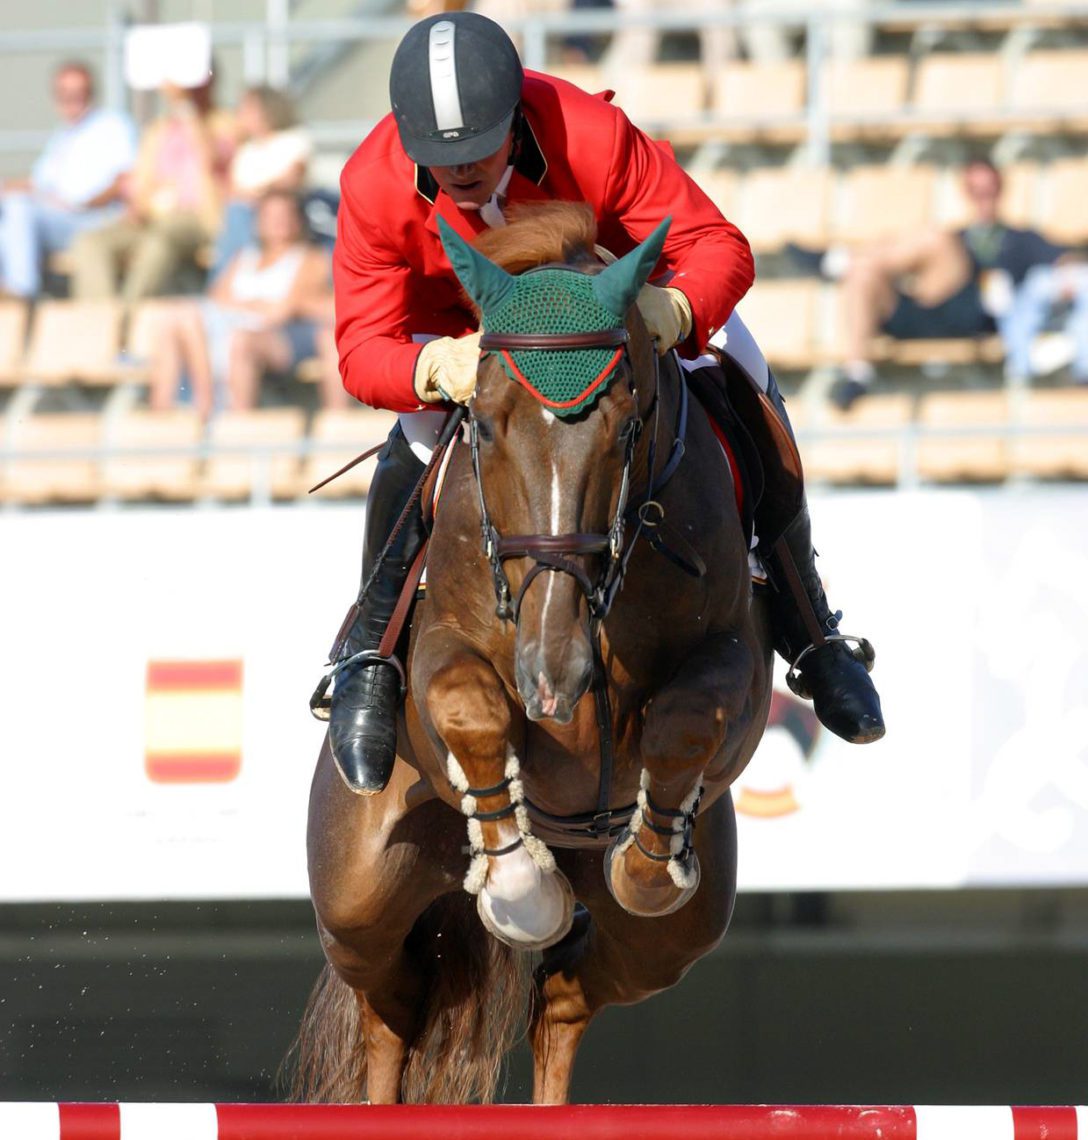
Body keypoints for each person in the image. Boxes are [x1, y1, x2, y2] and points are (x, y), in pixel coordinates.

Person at [327, 11, 883, 796]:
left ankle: (810, 627)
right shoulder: (373, 179)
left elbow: (719, 246)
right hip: (466, 331)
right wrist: (431, 365)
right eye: (439, 157)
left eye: (479, 146)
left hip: (610, 310)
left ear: (516, 116)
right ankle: (369, 654)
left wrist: (678, 310)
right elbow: (360, 348)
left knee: (744, 372)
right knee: (416, 438)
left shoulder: (591, 133)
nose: (459, 172)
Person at [826, 159, 1067, 410]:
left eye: (989, 189)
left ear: (1001, 189)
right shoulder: (960, 235)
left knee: (935, 239)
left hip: (975, 315)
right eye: (976, 191)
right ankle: (857, 373)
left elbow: (1065, 262)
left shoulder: (1022, 239)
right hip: (928, 312)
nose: (983, 197)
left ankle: (837, 260)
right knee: (862, 276)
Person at [149, 190, 332, 418]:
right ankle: (162, 412)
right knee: (173, 317)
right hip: (230, 324)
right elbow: (216, 297)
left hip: (269, 334)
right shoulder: (246, 257)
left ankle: (205, 404)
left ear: (297, 220)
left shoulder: (308, 258)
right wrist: (249, 304)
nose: (278, 222)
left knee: (192, 320)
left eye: (284, 215)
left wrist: (244, 305)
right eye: (270, 216)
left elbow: (288, 306)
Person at [69, 73, 234, 305]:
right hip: (151, 218)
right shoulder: (160, 129)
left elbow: (210, 158)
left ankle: (127, 320)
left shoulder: (224, 123)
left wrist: (186, 106)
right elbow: (141, 178)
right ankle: (101, 320)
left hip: (196, 219)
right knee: (89, 243)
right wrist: (137, 204)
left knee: (160, 239)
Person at [0, 61, 136, 297]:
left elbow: (125, 178)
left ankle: (21, 292)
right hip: (55, 216)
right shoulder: (63, 136)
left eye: (78, 92)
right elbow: (37, 183)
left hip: (91, 219)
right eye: (64, 93)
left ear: (90, 92)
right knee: (9, 212)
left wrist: (84, 204)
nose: (71, 99)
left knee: (18, 208)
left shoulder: (112, 125)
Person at [211, 85, 312, 277]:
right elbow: (232, 191)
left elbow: (291, 179)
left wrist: (258, 195)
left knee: (240, 214)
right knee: (236, 212)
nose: (240, 115)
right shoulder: (246, 150)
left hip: (282, 209)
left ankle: (226, 281)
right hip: (249, 211)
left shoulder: (293, 141)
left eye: (247, 109)